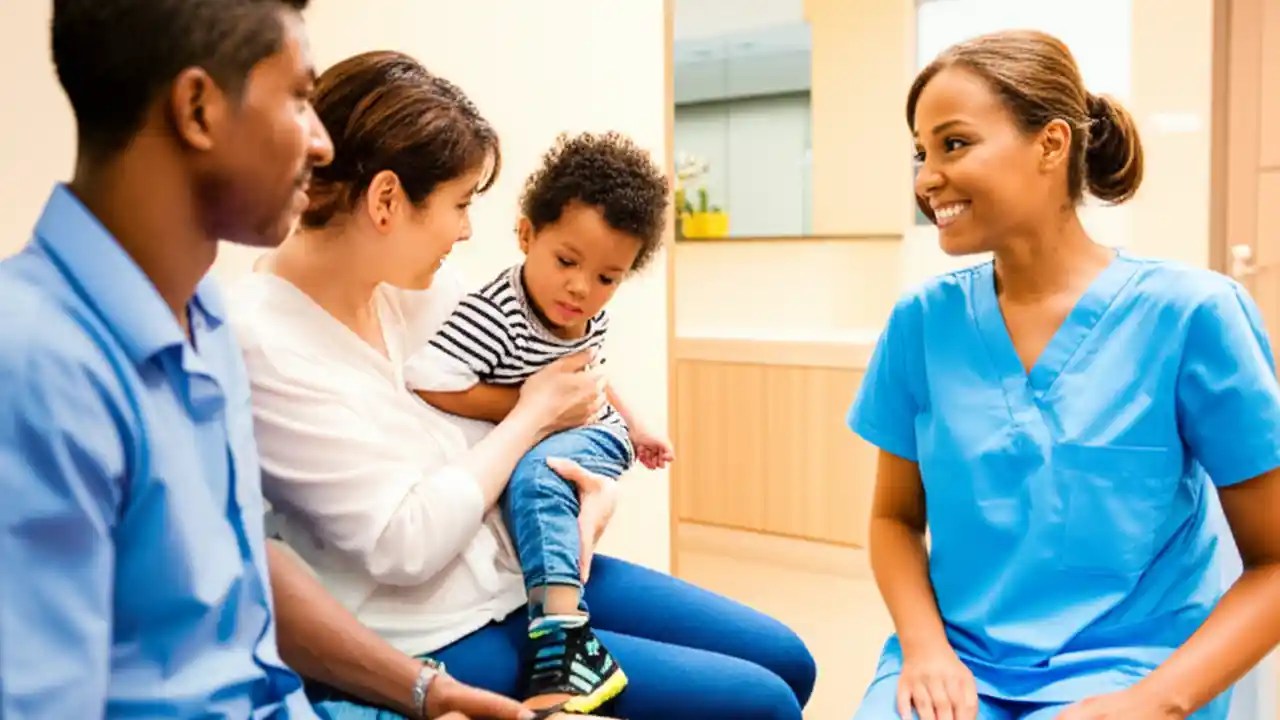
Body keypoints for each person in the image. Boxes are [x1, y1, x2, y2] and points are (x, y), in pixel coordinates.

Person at [228, 49, 817, 720]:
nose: (468, 229)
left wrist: (585, 499)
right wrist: (530, 417)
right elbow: (407, 543)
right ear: (387, 199)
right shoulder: (261, 343)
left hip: (519, 573)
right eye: (459, 203)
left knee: (788, 658)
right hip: (433, 627)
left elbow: (554, 401)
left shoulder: (418, 295)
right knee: (763, 705)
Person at [848, 29, 1280, 720]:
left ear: (1051, 144)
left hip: (1135, 673)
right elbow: (893, 519)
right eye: (921, 152)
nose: (927, 177)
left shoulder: (1192, 315)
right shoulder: (922, 322)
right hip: (955, 660)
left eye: (954, 144)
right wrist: (924, 649)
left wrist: (1154, 703)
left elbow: (1274, 563)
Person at [0, 0, 332, 716]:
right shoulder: (30, 368)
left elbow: (243, 663)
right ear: (199, 110)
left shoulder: (206, 314)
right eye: (302, 99)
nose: (321, 142)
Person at [404, 131, 676, 714]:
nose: (581, 289)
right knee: (535, 474)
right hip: (564, 428)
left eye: (607, 278)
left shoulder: (583, 312)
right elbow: (428, 377)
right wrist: (530, 407)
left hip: (600, 432)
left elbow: (590, 375)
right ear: (528, 234)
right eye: (566, 261)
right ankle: (564, 629)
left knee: (535, 475)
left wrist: (640, 424)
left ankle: (560, 637)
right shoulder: (496, 312)